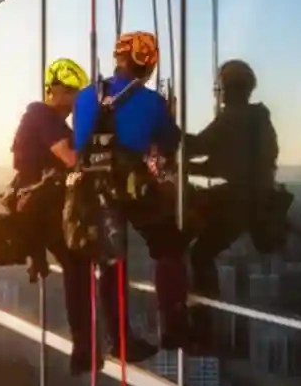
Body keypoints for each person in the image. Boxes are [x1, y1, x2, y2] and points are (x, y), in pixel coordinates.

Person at [4, 57, 152, 374]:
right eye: (71, 92)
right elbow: (71, 157)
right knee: (108, 258)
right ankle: (118, 340)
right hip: (44, 210)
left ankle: (87, 349)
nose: (73, 101)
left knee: (79, 269)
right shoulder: (41, 113)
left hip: (39, 212)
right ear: (54, 89)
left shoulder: (45, 120)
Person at [69, 31, 204, 354]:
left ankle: (119, 340)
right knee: (168, 242)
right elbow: (172, 145)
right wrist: (166, 116)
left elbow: (80, 142)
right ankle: (173, 326)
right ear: (146, 63)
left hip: (93, 186)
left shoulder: (85, 96)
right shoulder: (151, 102)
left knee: (111, 260)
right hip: (132, 186)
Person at [183, 59, 286, 299]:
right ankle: (204, 311)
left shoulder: (233, 118)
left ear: (227, 89)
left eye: (219, 87)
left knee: (194, 249)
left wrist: (166, 135)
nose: (217, 93)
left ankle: (202, 312)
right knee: (200, 251)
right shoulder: (257, 120)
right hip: (252, 202)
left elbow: (199, 146)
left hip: (237, 203)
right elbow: (222, 164)